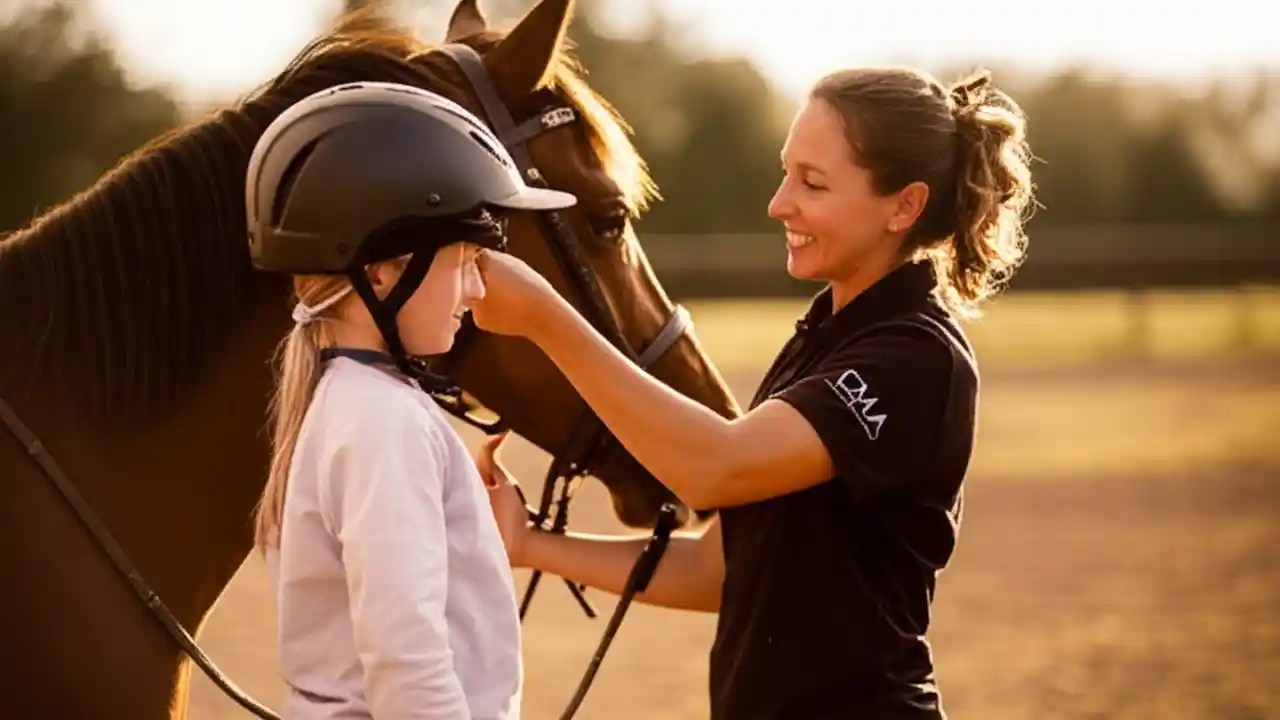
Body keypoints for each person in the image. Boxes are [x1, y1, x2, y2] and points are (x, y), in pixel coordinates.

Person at [469, 67, 1034, 719]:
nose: (778, 203)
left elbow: (713, 468)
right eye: (786, 172)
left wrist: (546, 318)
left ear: (903, 206)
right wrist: (529, 545)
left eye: (812, 183)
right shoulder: (822, 340)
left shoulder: (916, 356)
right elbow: (722, 570)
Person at [244, 81, 577, 719]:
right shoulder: (382, 420)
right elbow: (407, 661)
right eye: (469, 260)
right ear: (382, 269)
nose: (479, 289)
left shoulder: (353, 398)